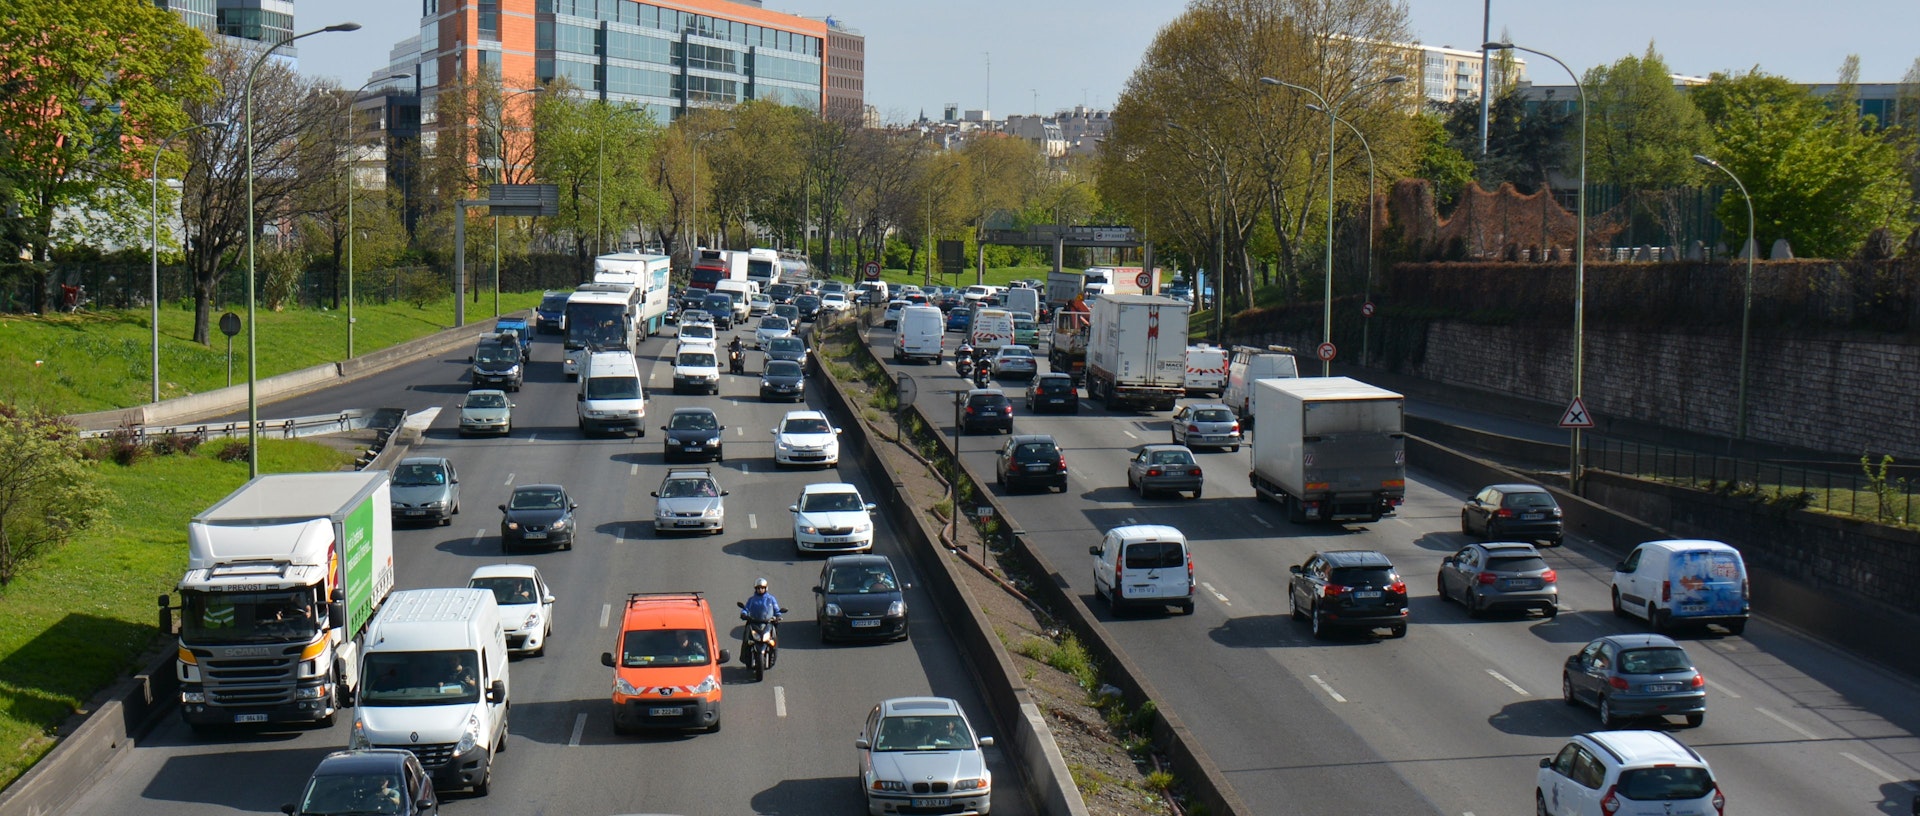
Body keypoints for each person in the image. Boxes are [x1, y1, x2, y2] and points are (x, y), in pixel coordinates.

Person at [740, 578, 781, 664]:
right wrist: (744, 614)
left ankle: (773, 655)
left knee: (774, 638)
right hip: (753, 622)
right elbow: (746, 608)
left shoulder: (771, 599)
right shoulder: (752, 600)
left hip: (767, 622)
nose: (760, 590)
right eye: (758, 588)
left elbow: (777, 610)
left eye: (762, 588)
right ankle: (744, 657)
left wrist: (778, 616)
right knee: (746, 638)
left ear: (766, 588)